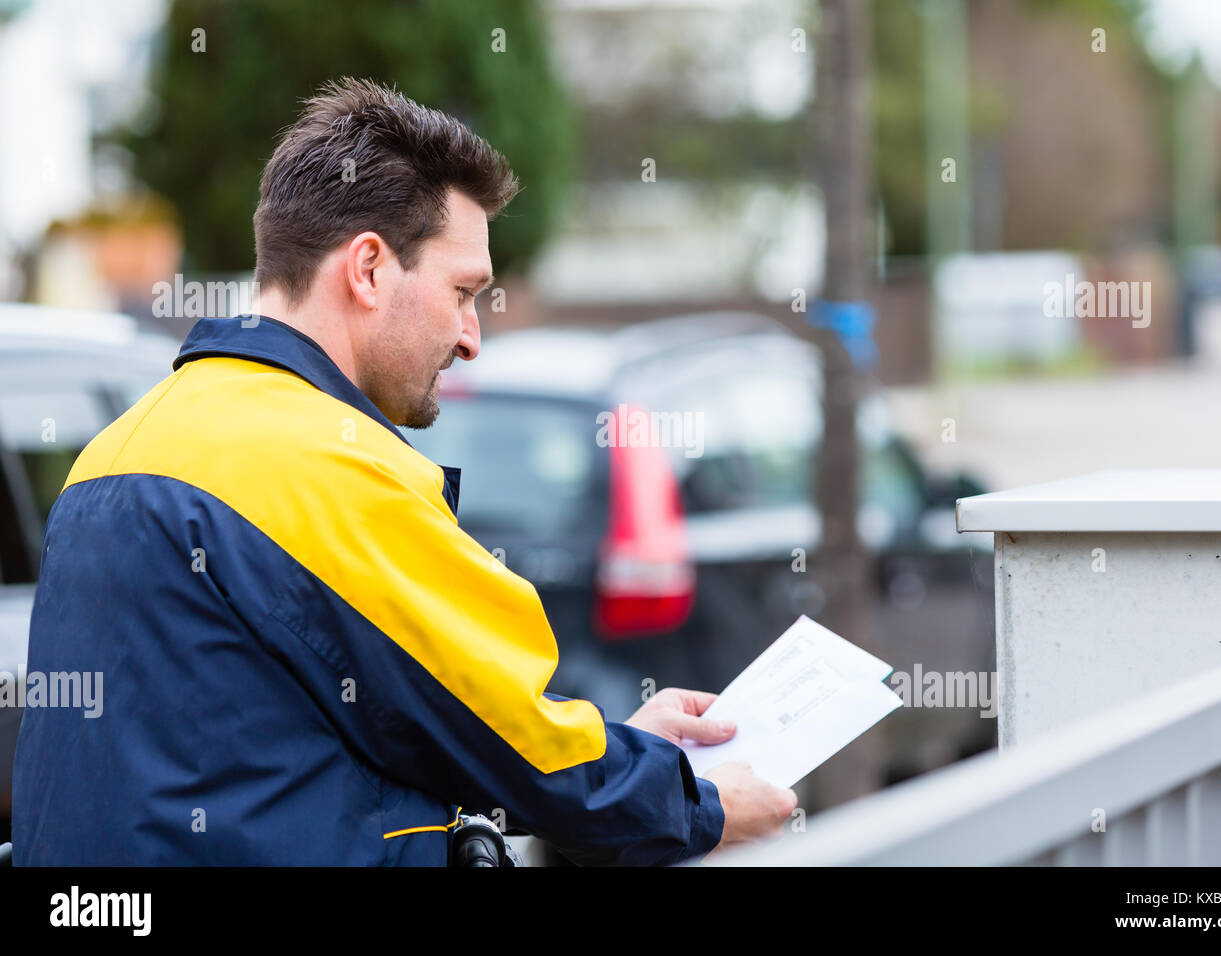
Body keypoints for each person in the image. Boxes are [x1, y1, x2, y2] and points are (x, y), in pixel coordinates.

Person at [11, 77, 796, 865]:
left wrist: (614, 744)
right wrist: (700, 801)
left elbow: (270, 748)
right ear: (369, 270)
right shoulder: (325, 462)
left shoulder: (111, 452)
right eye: (463, 292)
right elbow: (519, 746)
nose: (471, 337)